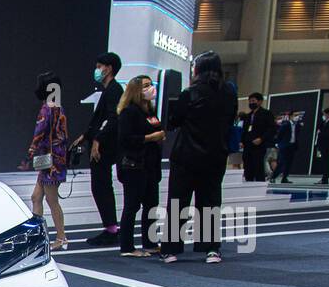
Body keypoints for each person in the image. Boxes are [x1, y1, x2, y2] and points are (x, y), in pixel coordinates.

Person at [162, 51, 236, 265]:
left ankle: (171, 249)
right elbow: (230, 122)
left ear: (198, 69)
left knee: (178, 202)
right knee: (210, 202)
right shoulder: (229, 93)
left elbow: (174, 121)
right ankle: (211, 249)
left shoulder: (190, 93)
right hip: (215, 157)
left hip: (187, 155)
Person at [71, 51, 124, 246]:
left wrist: (97, 140)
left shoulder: (114, 91)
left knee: (101, 186)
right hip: (102, 145)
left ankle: (111, 229)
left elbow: (112, 119)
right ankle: (110, 228)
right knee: (100, 186)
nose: (97, 70)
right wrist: (86, 135)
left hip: (105, 148)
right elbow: (101, 119)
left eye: (100, 66)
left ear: (109, 68)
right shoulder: (110, 90)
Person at [115, 75, 165, 257]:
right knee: (132, 206)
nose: (150, 88)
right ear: (136, 90)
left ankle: (150, 243)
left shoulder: (150, 112)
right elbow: (125, 140)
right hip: (134, 165)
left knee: (151, 206)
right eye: (145, 85)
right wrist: (150, 138)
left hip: (151, 165)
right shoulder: (129, 112)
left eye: (150, 85)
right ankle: (127, 247)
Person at [24, 72, 69, 250]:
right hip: (53, 159)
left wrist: (31, 151)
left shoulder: (48, 108)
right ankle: (39, 237)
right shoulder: (57, 107)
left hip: (50, 161)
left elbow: (40, 132)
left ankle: (61, 237)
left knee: (51, 199)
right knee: (36, 197)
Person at [242, 92, 275, 182]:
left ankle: (259, 187)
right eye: (250, 101)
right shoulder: (248, 116)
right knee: (248, 168)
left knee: (258, 167)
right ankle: (248, 185)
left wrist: (262, 138)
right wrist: (242, 141)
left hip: (259, 145)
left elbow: (271, 129)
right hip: (248, 145)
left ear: (260, 101)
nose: (251, 103)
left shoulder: (266, 114)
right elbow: (244, 130)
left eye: (253, 101)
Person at [313, 107, 329, 184]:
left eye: (325, 113)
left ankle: (325, 179)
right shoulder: (325, 121)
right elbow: (319, 127)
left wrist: (321, 133)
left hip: (327, 144)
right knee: (324, 161)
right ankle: (324, 178)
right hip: (322, 144)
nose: (324, 115)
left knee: (326, 161)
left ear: (328, 114)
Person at [272, 112, 295, 184]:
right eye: (295, 115)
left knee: (289, 163)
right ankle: (273, 177)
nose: (296, 117)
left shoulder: (296, 125)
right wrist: (278, 143)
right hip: (284, 146)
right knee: (281, 162)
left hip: (292, 146)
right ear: (290, 116)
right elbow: (280, 134)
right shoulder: (285, 124)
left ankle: (284, 178)